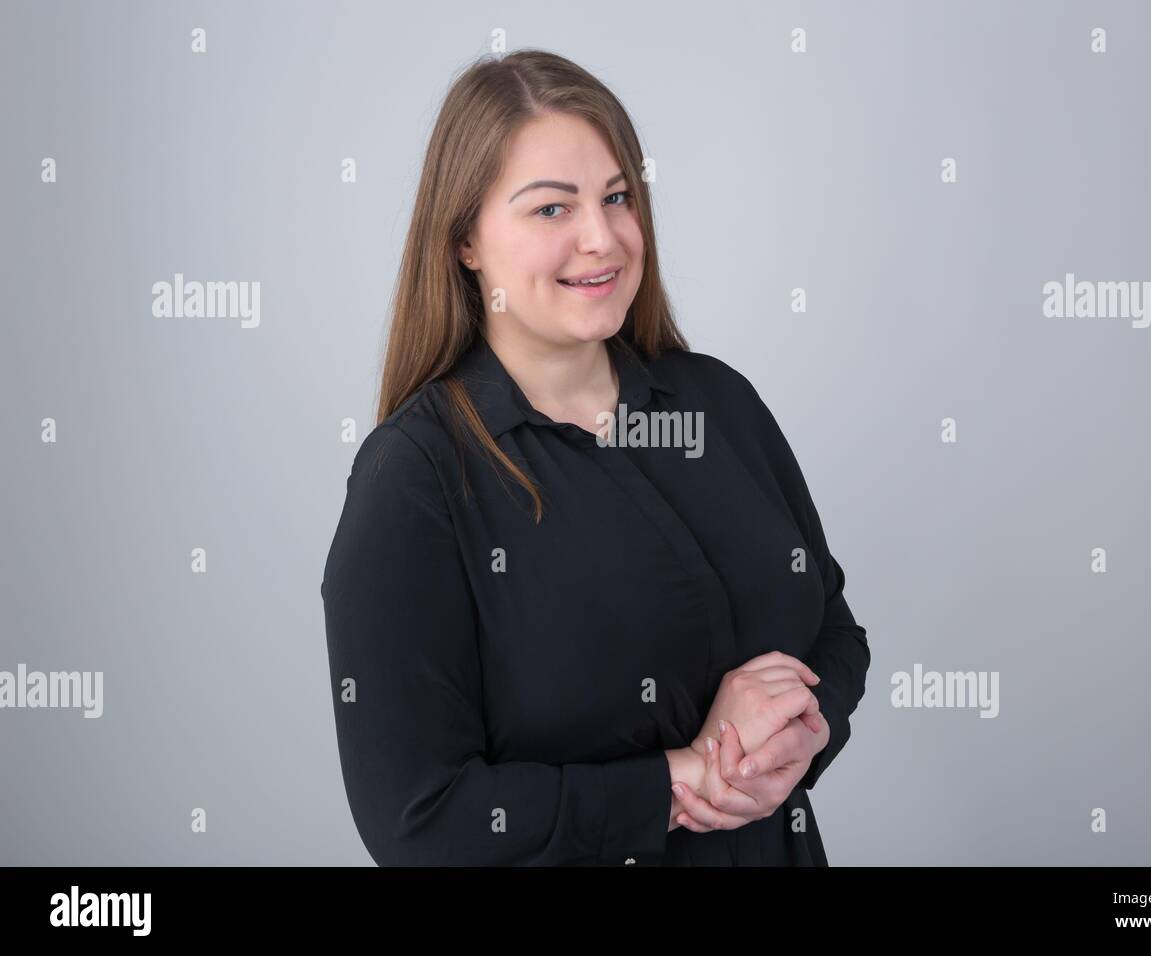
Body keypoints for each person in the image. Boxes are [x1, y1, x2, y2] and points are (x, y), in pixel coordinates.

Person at [320, 49, 870, 866]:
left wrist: (794, 736)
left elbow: (831, 625)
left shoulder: (718, 404)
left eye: (617, 198)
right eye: (551, 210)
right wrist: (680, 783)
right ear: (465, 239)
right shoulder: (417, 478)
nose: (602, 238)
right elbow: (419, 818)